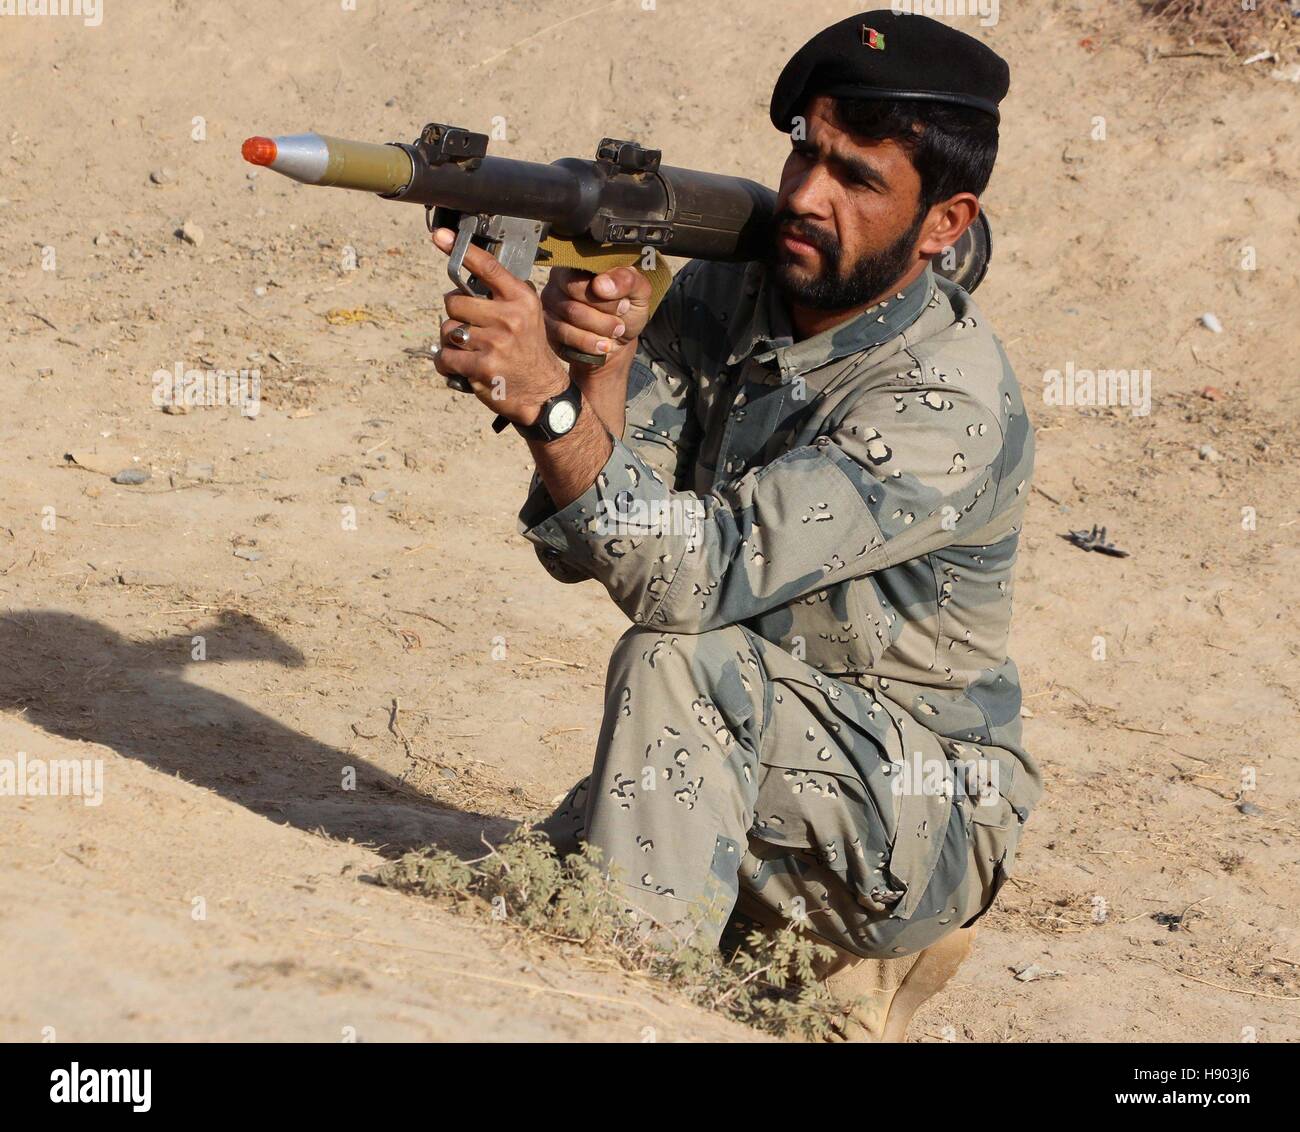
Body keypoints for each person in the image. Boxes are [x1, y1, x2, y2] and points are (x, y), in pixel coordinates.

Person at [432, 9, 1041, 1041]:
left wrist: (547, 403)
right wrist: (600, 362)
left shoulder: (945, 401)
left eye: (857, 179)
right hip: (750, 732)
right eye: (805, 152)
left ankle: (623, 1012)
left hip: (917, 807)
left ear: (944, 222)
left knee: (674, 668)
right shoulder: (730, 292)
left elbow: (684, 583)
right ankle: (790, 951)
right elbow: (586, 545)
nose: (804, 196)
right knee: (521, 887)